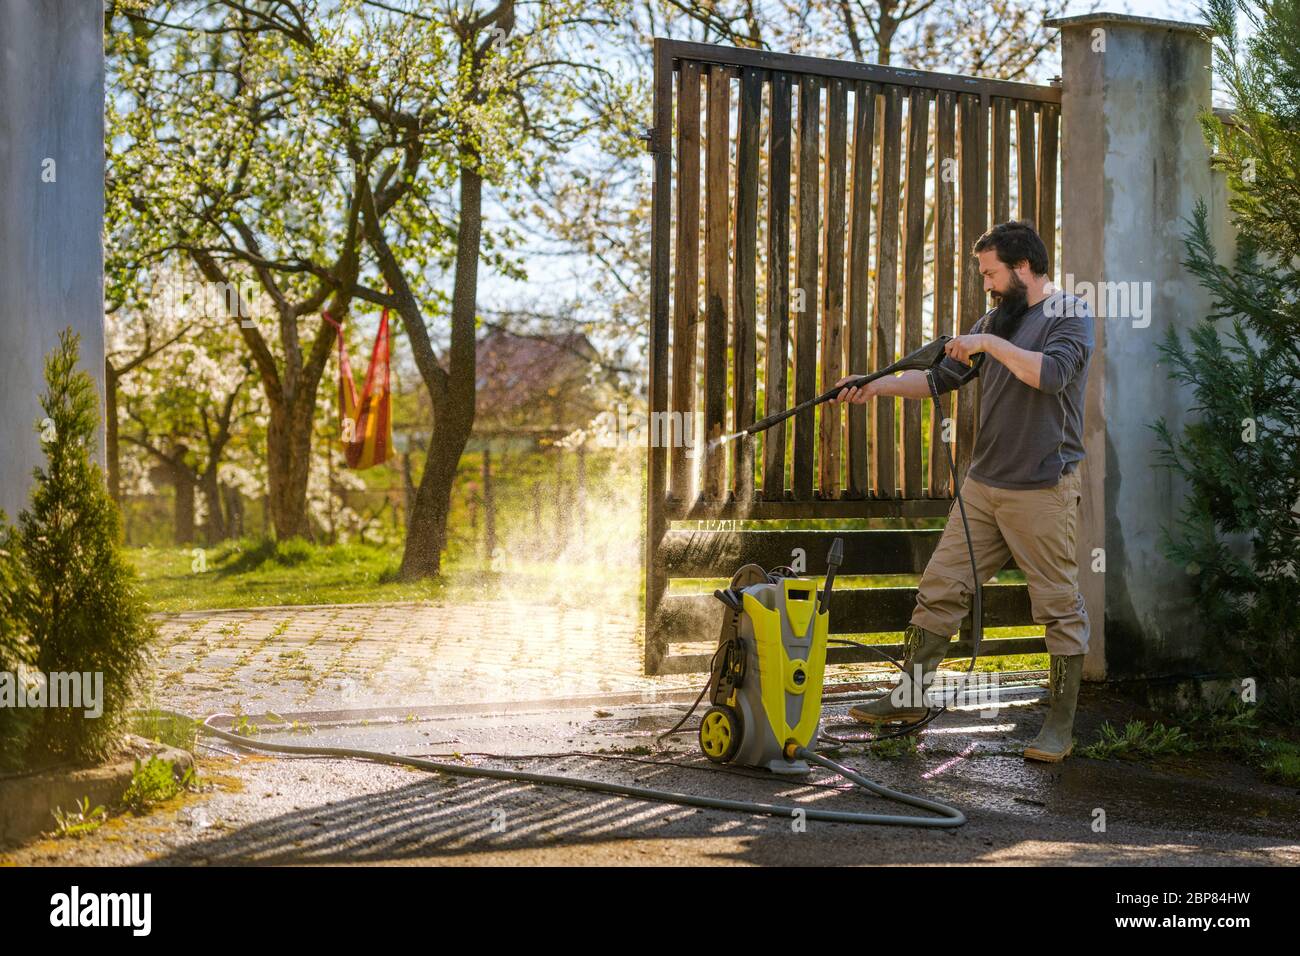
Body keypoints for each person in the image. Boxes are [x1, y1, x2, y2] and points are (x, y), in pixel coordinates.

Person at [833, 220, 1094, 762]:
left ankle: (1059, 729)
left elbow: (1049, 377)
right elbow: (938, 380)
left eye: (992, 273)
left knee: (1056, 607)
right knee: (941, 586)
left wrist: (989, 342)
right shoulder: (997, 321)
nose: (988, 286)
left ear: (1023, 268)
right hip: (983, 486)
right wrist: (870, 385)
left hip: (1042, 486)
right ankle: (907, 699)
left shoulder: (1068, 314)